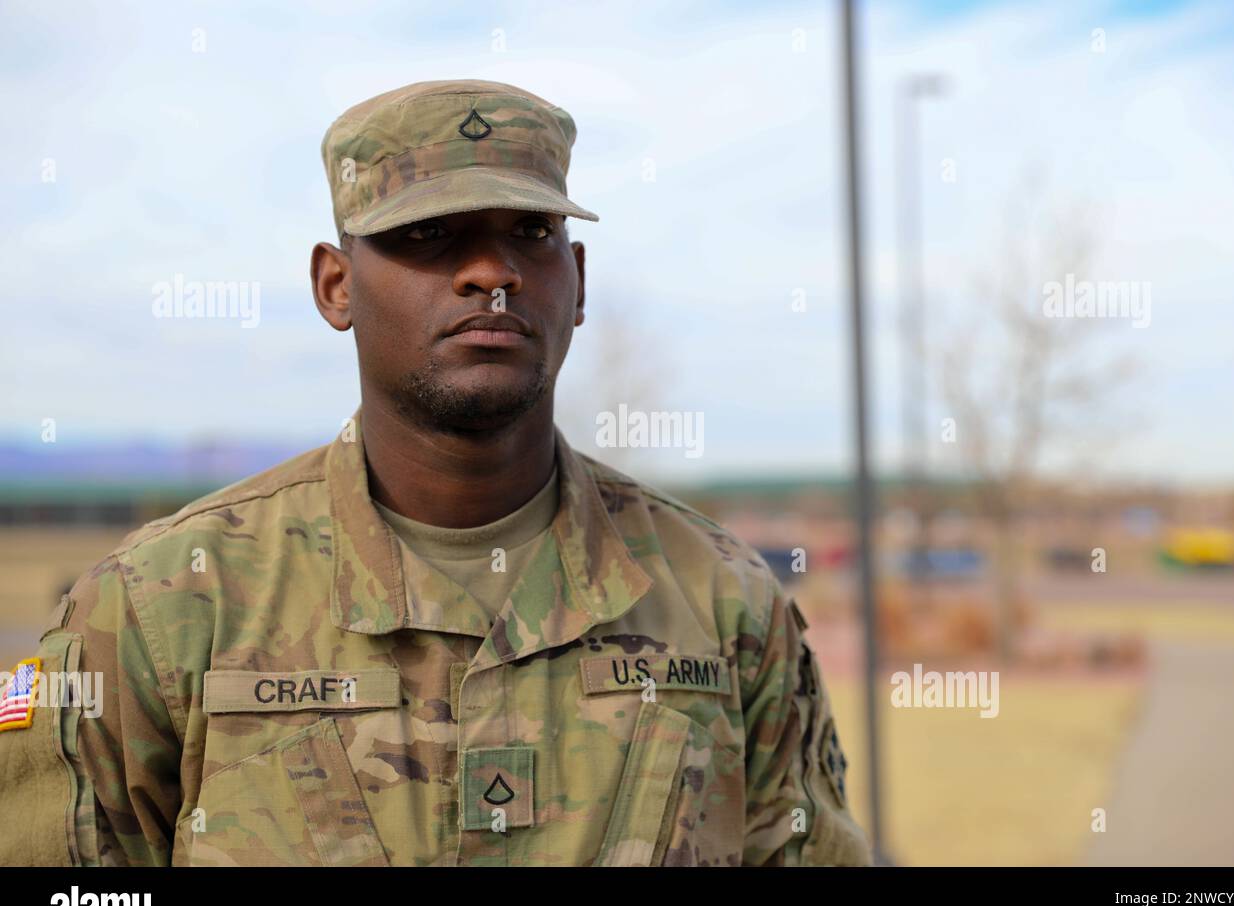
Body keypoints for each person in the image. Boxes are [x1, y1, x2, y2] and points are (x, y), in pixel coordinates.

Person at [0, 79, 871, 866]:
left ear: (574, 281)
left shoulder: (724, 605)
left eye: (530, 233)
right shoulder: (163, 609)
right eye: (429, 234)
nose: (491, 274)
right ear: (336, 285)